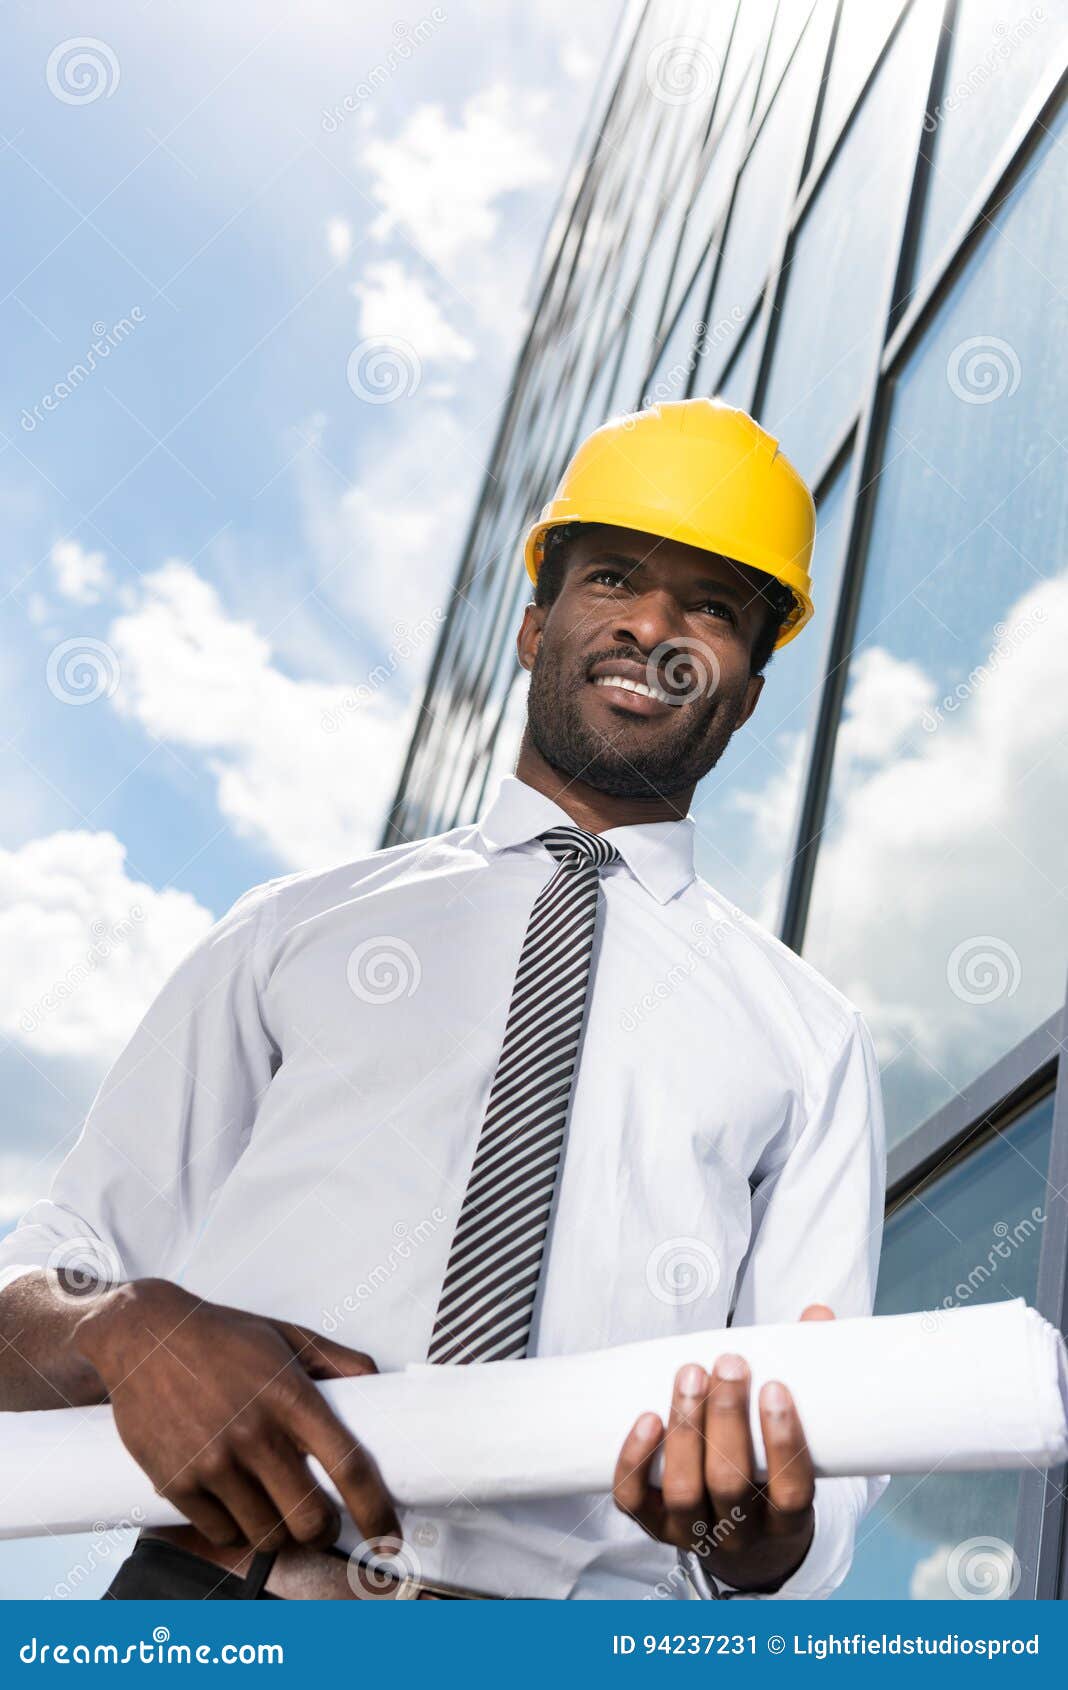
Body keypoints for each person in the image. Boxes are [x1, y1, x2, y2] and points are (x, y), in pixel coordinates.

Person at [0, 399, 886, 1601]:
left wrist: (762, 1527)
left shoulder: (810, 1040)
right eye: (614, 576)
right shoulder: (293, 931)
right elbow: (40, 1285)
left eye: (715, 606)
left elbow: (814, 1487)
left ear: (748, 691)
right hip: (226, 1596)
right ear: (533, 628)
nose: (652, 625)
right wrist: (127, 1325)